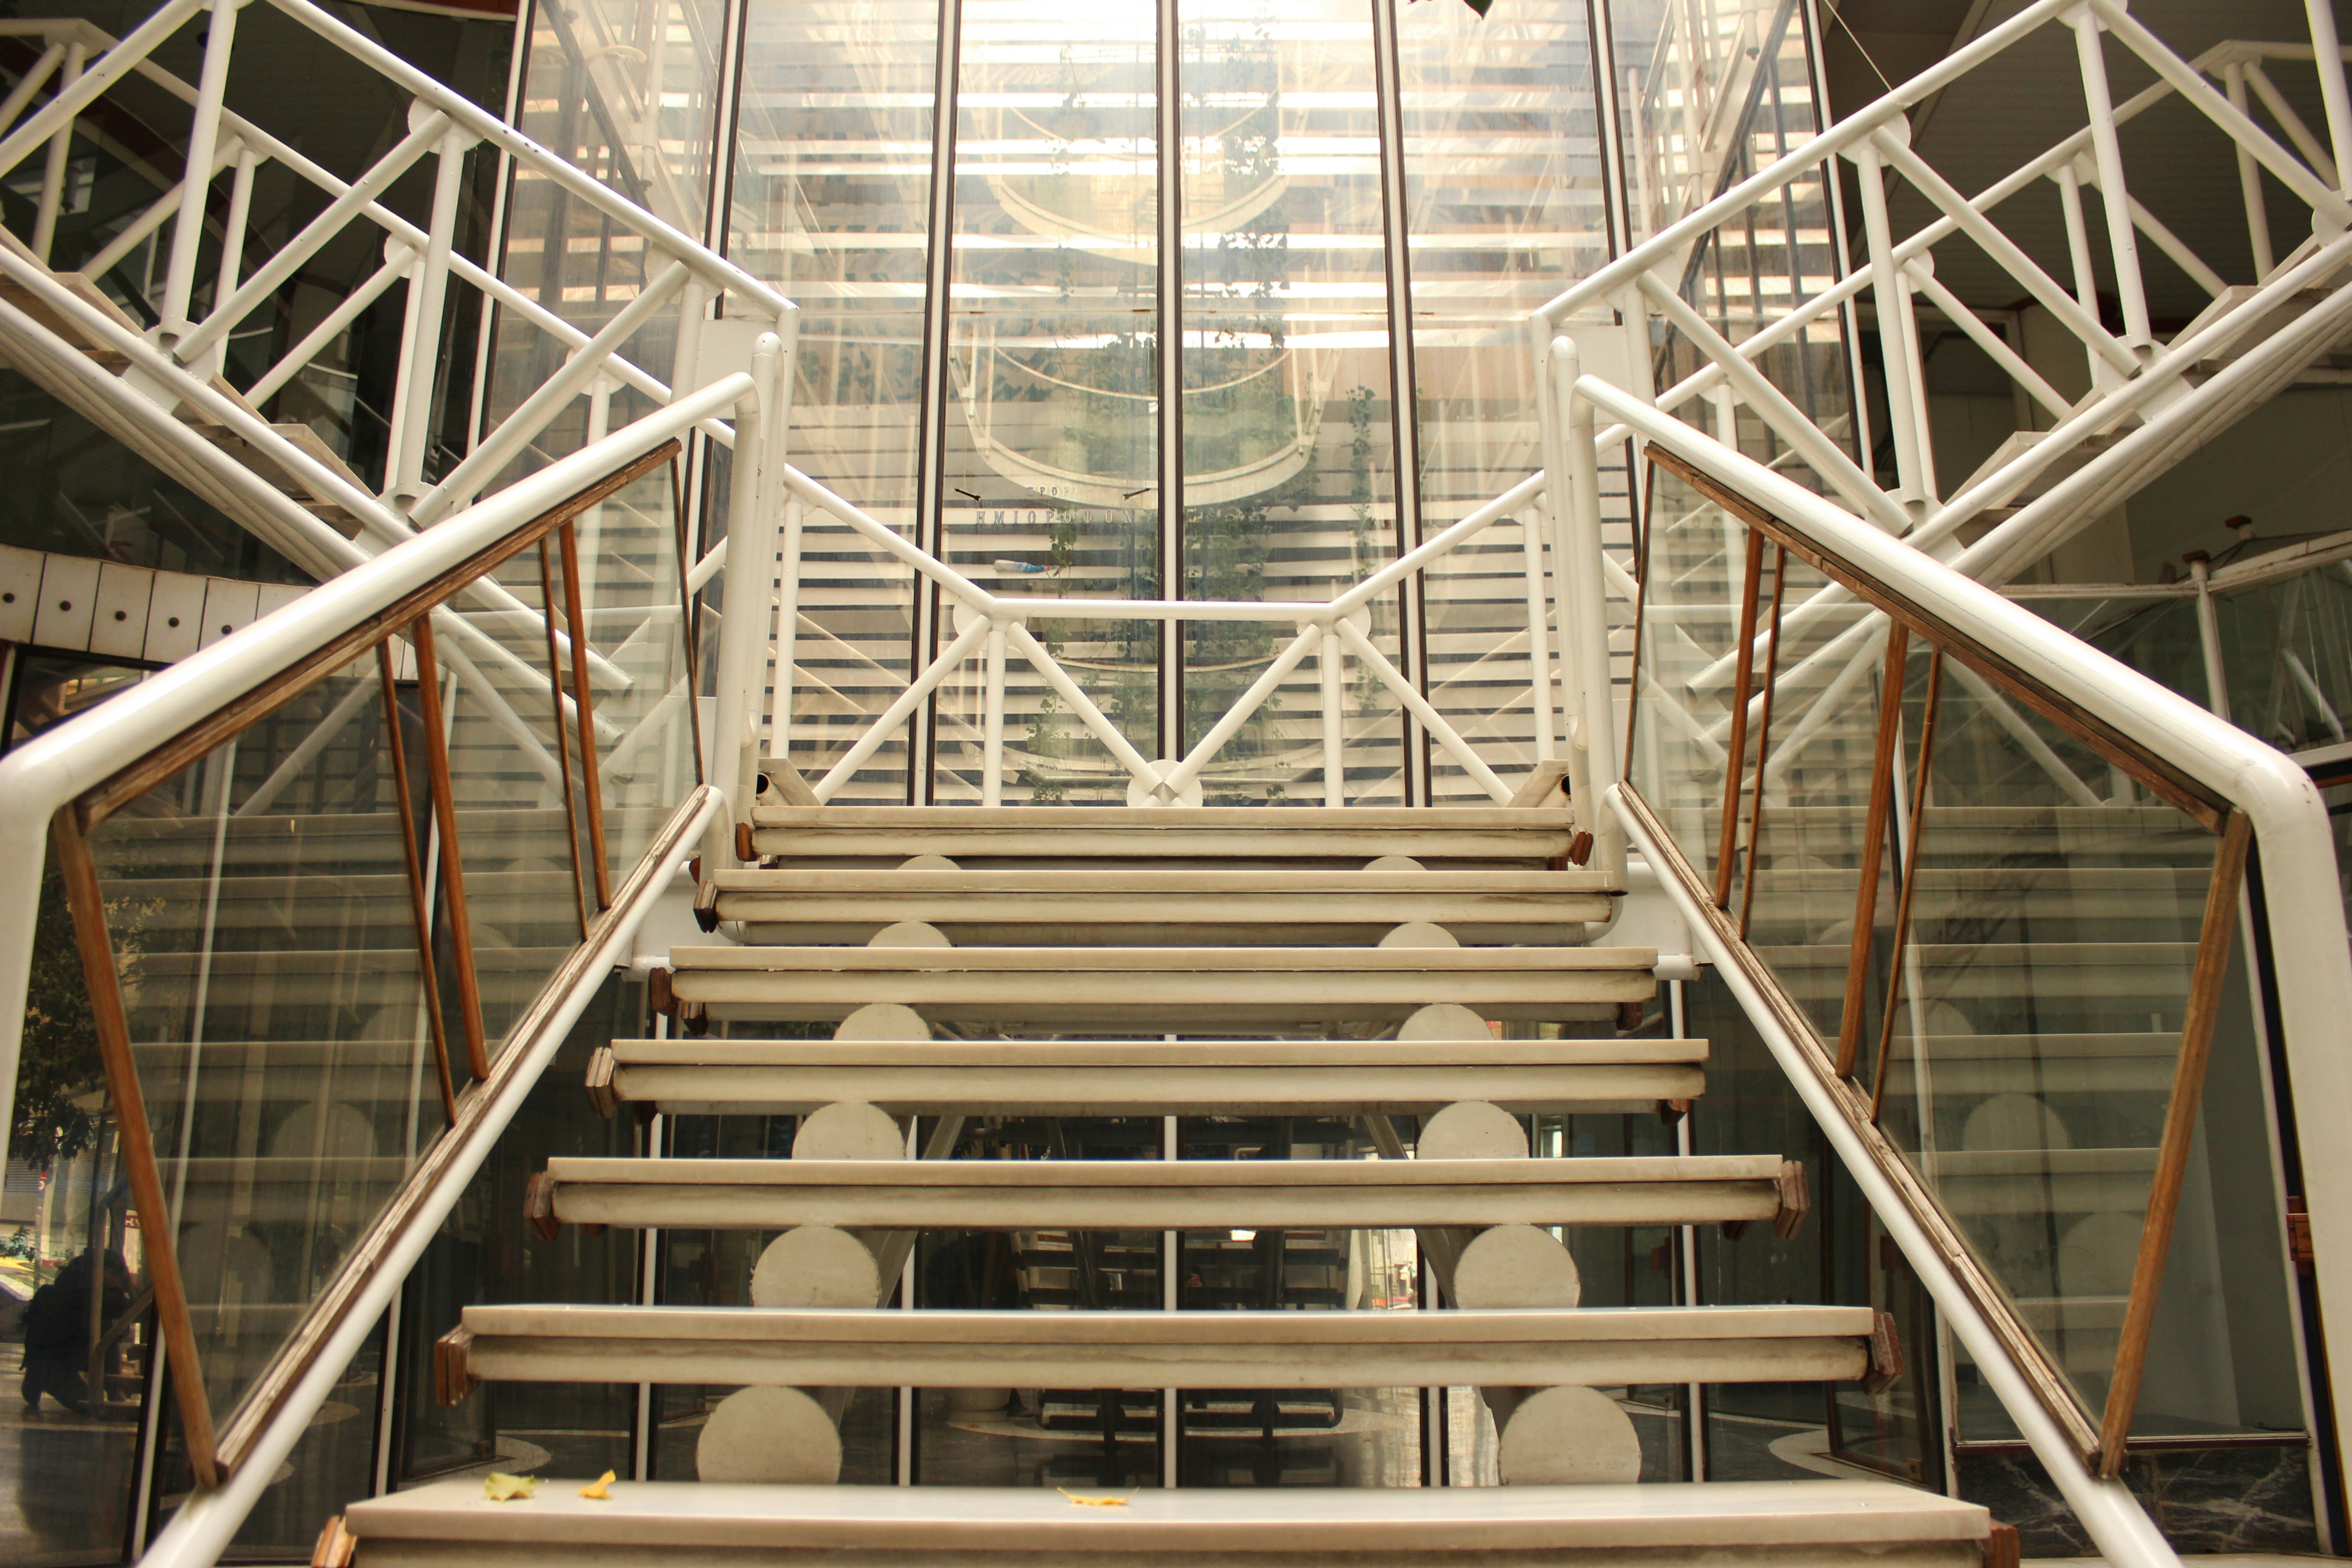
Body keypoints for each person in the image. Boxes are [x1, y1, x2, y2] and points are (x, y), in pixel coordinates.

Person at [20, 1249, 129, 1414]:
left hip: (71, 1354)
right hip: (54, 1359)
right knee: (85, 1402)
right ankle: (37, 1376)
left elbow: (124, 1319)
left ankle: (113, 1389)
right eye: (113, 1274)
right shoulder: (66, 1297)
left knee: (109, 1338)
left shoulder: (97, 1295)